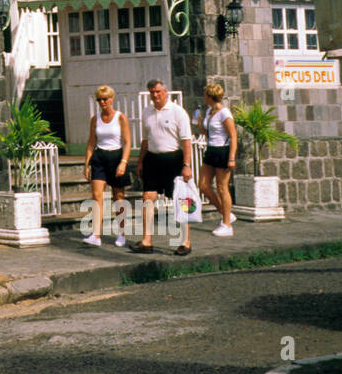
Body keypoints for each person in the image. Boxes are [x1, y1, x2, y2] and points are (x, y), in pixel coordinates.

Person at [130, 79, 193, 256]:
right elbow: (145, 139)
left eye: (158, 91)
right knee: (147, 198)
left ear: (165, 92)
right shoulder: (146, 112)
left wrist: (186, 165)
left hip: (173, 159)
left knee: (180, 201)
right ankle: (146, 241)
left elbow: (186, 141)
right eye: (152, 92)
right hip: (152, 159)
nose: (155, 95)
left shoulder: (178, 112)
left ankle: (185, 241)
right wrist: (141, 161)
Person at [82, 85, 132, 247]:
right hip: (99, 158)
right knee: (97, 196)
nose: (102, 102)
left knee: (118, 197)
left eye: (105, 99)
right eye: (99, 99)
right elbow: (91, 142)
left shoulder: (120, 117)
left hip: (116, 157)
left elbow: (127, 142)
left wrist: (123, 162)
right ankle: (96, 234)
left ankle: (122, 233)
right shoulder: (94, 119)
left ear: (111, 99)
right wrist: (86, 164)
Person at [197, 82, 238, 235]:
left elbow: (233, 136)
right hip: (211, 149)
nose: (204, 97)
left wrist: (231, 158)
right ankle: (226, 213)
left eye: (205, 94)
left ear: (210, 96)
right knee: (203, 185)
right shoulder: (209, 111)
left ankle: (227, 225)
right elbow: (208, 134)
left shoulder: (224, 113)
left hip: (223, 151)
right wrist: (200, 123)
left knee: (222, 187)